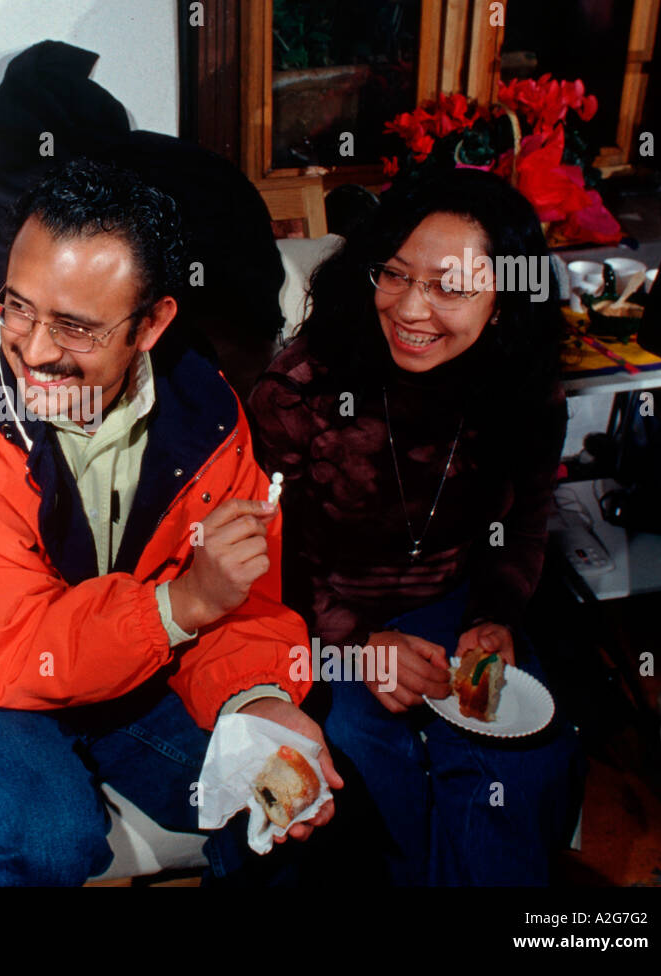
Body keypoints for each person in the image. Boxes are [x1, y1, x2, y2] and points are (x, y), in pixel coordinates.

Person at [0, 158, 341, 886]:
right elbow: (16, 650)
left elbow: (243, 598)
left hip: (131, 652)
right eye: (17, 307)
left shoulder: (211, 413)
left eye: (75, 327)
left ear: (154, 321)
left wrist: (257, 700)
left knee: (276, 798)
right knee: (44, 836)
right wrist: (181, 604)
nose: (36, 351)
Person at [248, 168, 583, 886]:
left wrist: (496, 615)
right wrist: (358, 643)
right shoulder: (300, 389)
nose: (411, 308)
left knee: (520, 763)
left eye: (451, 287)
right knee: (369, 760)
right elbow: (267, 562)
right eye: (395, 275)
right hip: (317, 618)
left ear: (503, 302)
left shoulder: (526, 390)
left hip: (455, 604)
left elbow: (524, 526)